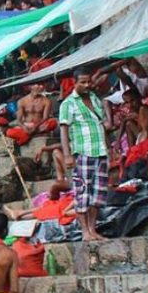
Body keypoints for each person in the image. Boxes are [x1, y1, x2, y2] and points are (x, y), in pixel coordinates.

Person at [59, 67, 109, 240]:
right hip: (82, 152)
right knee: (82, 192)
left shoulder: (95, 99)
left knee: (98, 193)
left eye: (89, 82)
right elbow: (64, 130)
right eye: (83, 82)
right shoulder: (68, 103)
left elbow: (101, 125)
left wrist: (111, 149)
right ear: (75, 83)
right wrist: (67, 154)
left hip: (101, 151)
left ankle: (92, 229)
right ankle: (85, 231)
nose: (87, 85)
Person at [6, 82, 56, 146]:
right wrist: (24, 127)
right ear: (30, 87)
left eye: (42, 85)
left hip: (39, 126)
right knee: (9, 132)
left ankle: (26, 137)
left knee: (53, 122)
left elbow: (45, 118)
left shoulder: (46, 101)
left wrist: (36, 126)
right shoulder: (22, 101)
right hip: (27, 126)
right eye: (38, 85)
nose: (41, 87)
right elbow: (19, 120)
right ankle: (29, 135)